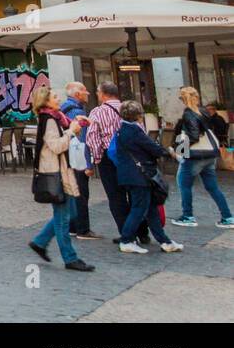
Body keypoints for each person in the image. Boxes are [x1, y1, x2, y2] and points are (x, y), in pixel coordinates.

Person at [27, 85, 94, 272]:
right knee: (64, 218)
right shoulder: (48, 120)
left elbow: (61, 133)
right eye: (55, 96)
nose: (58, 99)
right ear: (46, 101)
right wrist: (72, 131)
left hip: (61, 170)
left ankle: (40, 242)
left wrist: (74, 125)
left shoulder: (56, 117)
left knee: (68, 213)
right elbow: (56, 146)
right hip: (56, 173)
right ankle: (70, 258)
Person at [112, 100, 181, 254]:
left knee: (151, 210)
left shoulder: (122, 129)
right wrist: (168, 151)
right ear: (138, 115)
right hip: (139, 175)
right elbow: (153, 149)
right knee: (139, 208)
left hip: (131, 174)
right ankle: (126, 240)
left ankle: (165, 242)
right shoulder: (134, 131)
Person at [85, 81, 148, 246]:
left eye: (98, 92)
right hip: (131, 157)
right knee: (135, 195)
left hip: (109, 158)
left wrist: (97, 158)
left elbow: (92, 137)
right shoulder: (128, 108)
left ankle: (127, 234)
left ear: (104, 94)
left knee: (116, 196)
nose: (97, 95)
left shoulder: (97, 112)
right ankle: (143, 232)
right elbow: (142, 131)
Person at [172, 87, 234, 228]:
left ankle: (187, 216)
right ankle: (227, 217)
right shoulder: (204, 112)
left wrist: (180, 150)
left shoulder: (188, 113)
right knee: (213, 187)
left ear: (183, 99)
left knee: (184, 184)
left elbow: (192, 135)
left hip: (195, 154)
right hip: (209, 153)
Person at [59, 81, 100, 239]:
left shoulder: (64, 109)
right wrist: (88, 164)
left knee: (74, 192)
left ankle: (73, 226)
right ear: (77, 94)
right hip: (76, 158)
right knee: (81, 193)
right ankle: (82, 229)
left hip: (68, 157)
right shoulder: (76, 112)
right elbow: (82, 140)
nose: (88, 93)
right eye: (84, 91)